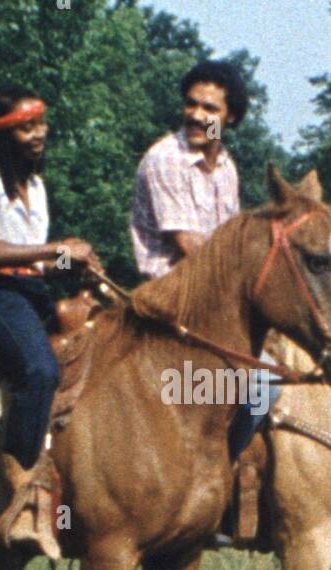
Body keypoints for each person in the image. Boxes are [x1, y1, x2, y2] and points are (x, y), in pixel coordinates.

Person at [0, 84, 100, 559]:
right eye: (25, 127)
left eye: (40, 124)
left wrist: (75, 265)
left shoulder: (35, 185)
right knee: (39, 371)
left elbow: (36, 264)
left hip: (30, 292)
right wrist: (54, 250)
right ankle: (20, 484)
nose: (39, 134)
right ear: (1, 134)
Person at [128, 60, 280, 460]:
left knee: (270, 380)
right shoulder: (165, 159)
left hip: (216, 301)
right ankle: (213, 470)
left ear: (231, 117)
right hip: (172, 298)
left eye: (210, 109)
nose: (196, 115)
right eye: (191, 104)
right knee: (258, 382)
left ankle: (224, 467)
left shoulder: (227, 167)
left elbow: (229, 244)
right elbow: (192, 247)